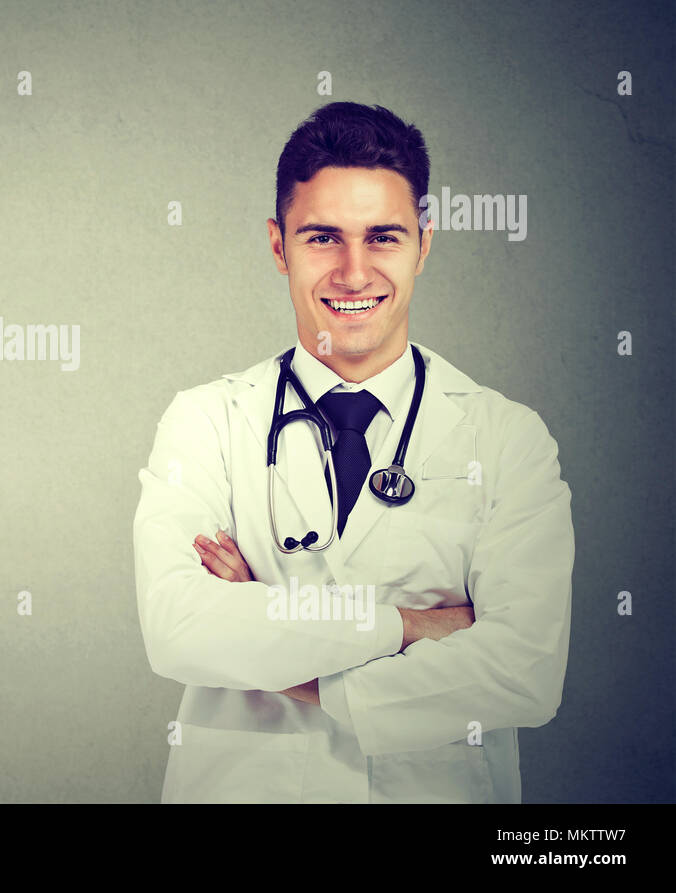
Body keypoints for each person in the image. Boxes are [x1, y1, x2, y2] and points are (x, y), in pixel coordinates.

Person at [132, 102, 574, 803]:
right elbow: (180, 628)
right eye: (322, 238)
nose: (354, 271)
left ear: (424, 245)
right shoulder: (207, 421)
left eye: (384, 237)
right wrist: (408, 626)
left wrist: (279, 648)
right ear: (278, 246)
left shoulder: (505, 438)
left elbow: (524, 671)